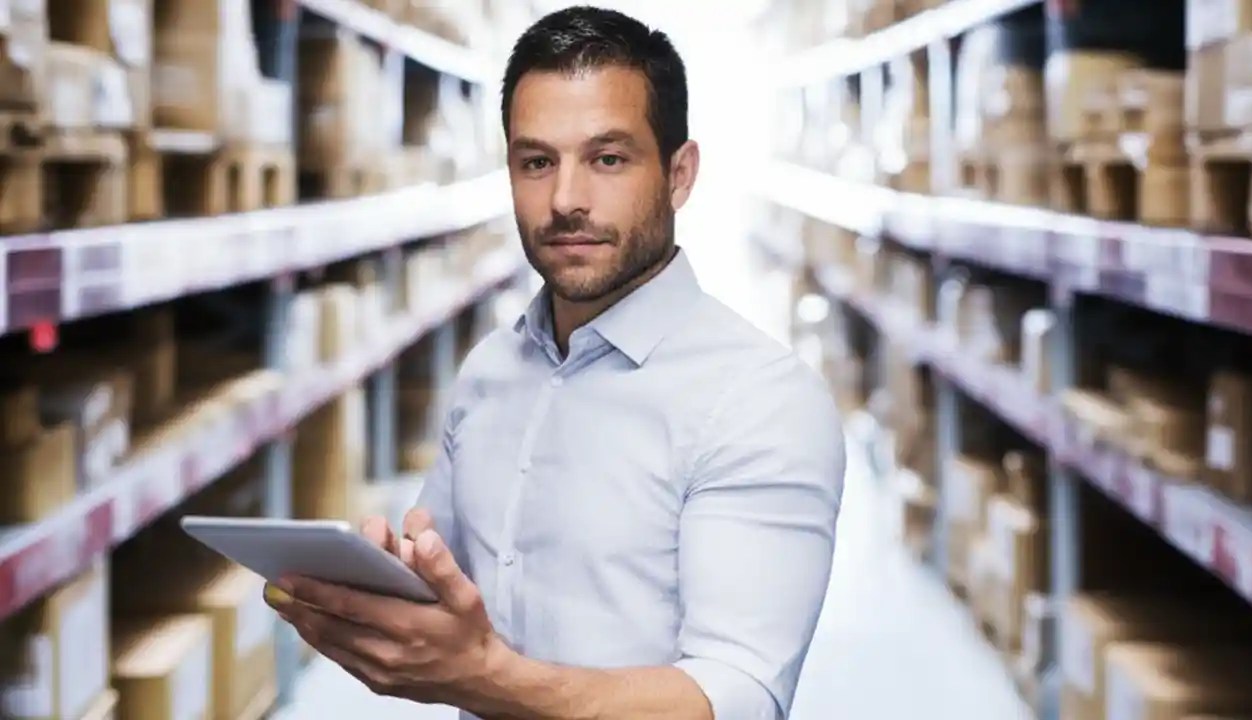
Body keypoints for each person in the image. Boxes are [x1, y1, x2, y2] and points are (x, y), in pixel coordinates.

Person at [266, 6, 847, 718]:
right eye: (537, 162)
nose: (566, 200)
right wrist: (374, 589)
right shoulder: (490, 372)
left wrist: (482, 677)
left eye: (608, 159)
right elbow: (443, 578)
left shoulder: (762, 401)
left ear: (679, 174)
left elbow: (737, 697)